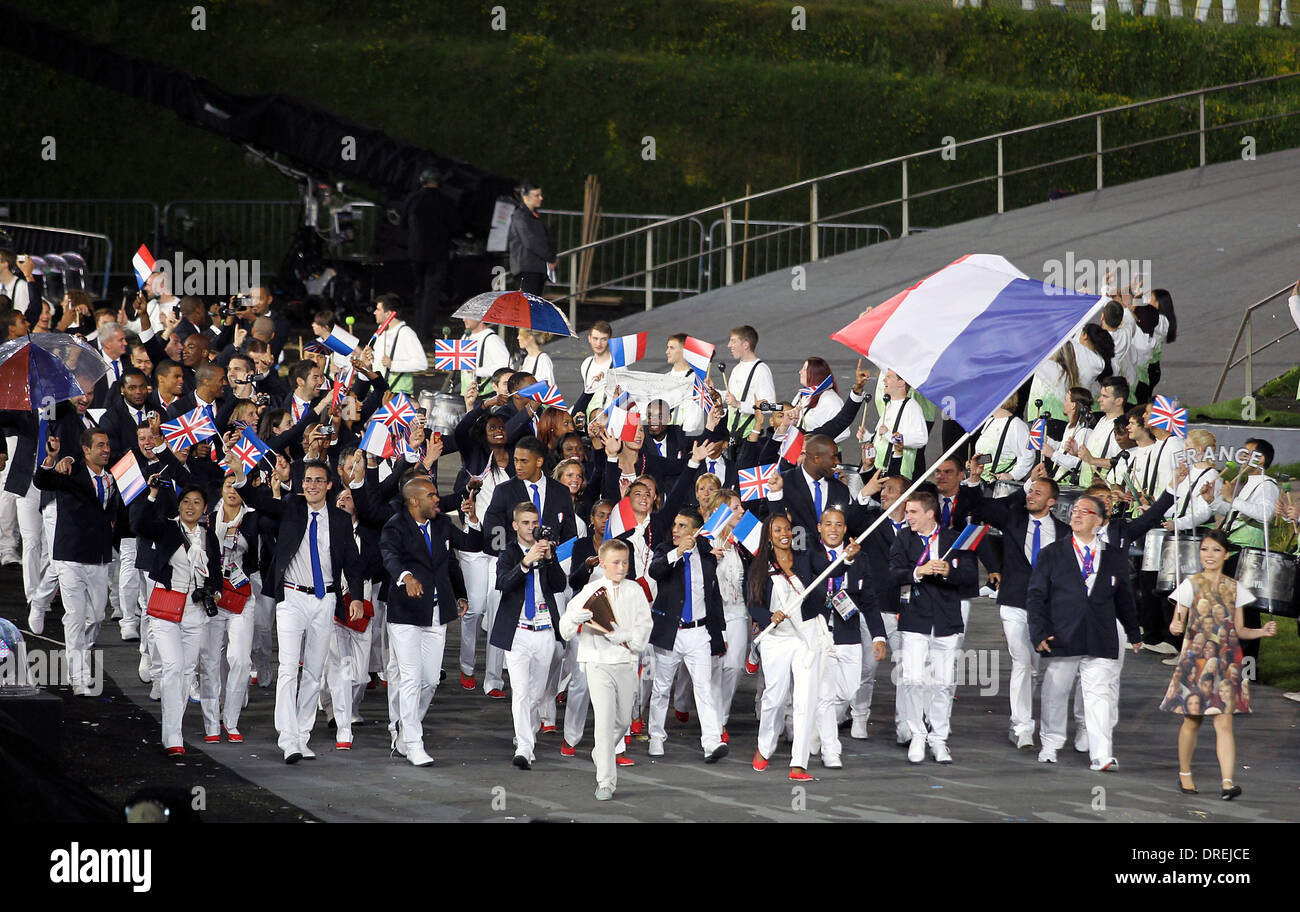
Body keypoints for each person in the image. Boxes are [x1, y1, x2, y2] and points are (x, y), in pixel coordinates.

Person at [232, 457, 365, 763]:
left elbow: (353, 564)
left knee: (314, 673)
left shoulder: (341, 520)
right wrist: (241, 478)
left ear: (329, 485)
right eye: (308, 481)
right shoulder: (292, 507)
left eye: (319, 480)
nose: (312, 486)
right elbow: (259, 501)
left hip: (326, 599)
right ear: (302, 484)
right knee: (289, 668)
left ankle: (303, 735)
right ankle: (288, 738)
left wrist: (355, 597)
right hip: (291, 598)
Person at [1028, 493, 1142, 771]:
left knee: (1099, 695)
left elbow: (1124, 598)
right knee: (1056, 691)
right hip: (1063, 633)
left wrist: (1133, 632)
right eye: (1075, 510)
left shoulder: (1114, 556)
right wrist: (1039, 632)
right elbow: (1036, 596)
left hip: (1101, 634)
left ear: (1100, 521)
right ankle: (1051, 743)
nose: (1076, 515)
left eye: (1085, 512)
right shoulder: (1052, 553)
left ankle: (1102, 754)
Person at [1161, 530, 1276, 799]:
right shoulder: (1190, 584)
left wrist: (1262, 632)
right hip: (1195, 660)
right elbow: (1177, 625)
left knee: (1224, 723)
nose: (1209, 555)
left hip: (1227, 661)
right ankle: (1185, 774)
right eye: (1204, 549)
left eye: (1215, 550)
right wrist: (1175, 625)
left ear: (1226, 555)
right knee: (1192, 720)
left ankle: (1227, 782)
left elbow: (1238, 630)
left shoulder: (1236, 588)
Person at [966, 466, 1069, 749]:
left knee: (1034, 667)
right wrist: (980, 480)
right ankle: (1023, 726)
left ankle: (1019, 719)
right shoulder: (1013, 517)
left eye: (1039, 492)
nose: (1032, 495)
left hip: (1045, 609)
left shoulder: (1064, 532)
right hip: (1013, 601)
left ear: (1052, 502)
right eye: (1031, 490)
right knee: (1022, 661)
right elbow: (979, 508)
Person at [381, 476, 479, 766]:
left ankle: (403, 729)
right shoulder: (395, 525)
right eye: (432, 495)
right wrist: (406, 577)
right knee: (410, 678)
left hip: (436, 613)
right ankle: (413, 742)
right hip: (406, 615)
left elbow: (472, 545)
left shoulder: (442, 525)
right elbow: (389, 555)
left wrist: (472, 519)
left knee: (430, 680)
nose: (438, 499)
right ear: (414, 500)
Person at [131, 481, 221, 756]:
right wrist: (152, 494)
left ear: (205, 508)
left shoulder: (209, 537)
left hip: (195, 612)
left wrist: (214, 592)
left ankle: (174, 728)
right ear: (179, 505)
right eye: (186, 501)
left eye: (196, 502)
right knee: (172, 667)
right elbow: (140, 524)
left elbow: (215, 570)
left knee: (185, 672)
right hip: (167, 606)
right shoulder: (168, 528)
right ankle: (173, 737)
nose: (190, 506)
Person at [561, 538, 653, 800]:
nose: (622, 567)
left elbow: (644, 625)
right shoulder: (591, 590)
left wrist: (628, 638)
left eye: (625, 562)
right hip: (597, 661)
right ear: (602, 563)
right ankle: (605, 780)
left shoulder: (634, 590)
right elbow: (566, 627)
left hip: (624, 660)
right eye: (616, 562)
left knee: (622, 720)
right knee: (603, 721)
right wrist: (574, 620)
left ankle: (601, 752)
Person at [33, 429, 123, 697]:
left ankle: (79, 657)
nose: (105, 449)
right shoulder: (69, 471)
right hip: (70, 554)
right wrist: (52, 458)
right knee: (74, 617)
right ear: (86, 450)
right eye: (99, 445)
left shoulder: (112, 476)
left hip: (97, 556)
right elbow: (42, 481)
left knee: (95, 617)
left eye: (107, 444)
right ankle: (78, 677)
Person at [890, 491, 977, 764]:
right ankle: (917, 734)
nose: (908, 517)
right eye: (907, 512)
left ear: (930, 513)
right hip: (915, 619)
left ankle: (938, 738)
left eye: (913, 512)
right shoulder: (904, 539)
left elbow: (971, 578)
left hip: (946, 620)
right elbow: (892, 573)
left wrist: (949, 571)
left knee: (943, 683)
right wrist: (919, 572)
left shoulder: (955, 540)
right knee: (913, 679)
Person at [800, 507, 885, 768]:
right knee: (825, 694)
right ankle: (831, 749)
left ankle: (816, 726)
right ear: (819, 528)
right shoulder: (808, 556)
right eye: (828, 524)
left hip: (849, 633)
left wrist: (878, 635)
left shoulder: (860, 558)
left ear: (845, 529)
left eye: (839, 524)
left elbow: (869, 601)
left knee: (848, 692)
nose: (834, 529)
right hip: (820, 633)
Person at [646, 509, 729, 763]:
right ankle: (656, 737)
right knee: (661, 688)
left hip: (699, 633)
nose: (675, 529)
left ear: (695, 531)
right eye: (674, 524)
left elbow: (713, 596)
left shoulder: (707, 554)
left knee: (704, 688)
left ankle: (712, 742)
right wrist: (678, 551)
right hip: (671, 632)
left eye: (682, 526)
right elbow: (655, 571)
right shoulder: (664, 550)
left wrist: (720, 632)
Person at [748, 514, 825, 781]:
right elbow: (753, 603)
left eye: (787, 528)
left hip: (806, 636)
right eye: (777, 529)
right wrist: (768, 616)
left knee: (806, 699)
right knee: (775, 698)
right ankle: (764, 746)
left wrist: (847, 557)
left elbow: (832, 568)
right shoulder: (759, 566)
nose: (784, 533)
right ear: (768, 535)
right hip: (776, 639)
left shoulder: (805, 557)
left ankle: (798, 763)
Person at [493, 503, 568, 770]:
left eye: (534, 522)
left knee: (536, 694)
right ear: (515, 526)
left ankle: (526, 733)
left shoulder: (548, 550)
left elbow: (559, 585)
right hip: (518, 633)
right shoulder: (508, 553)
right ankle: (524, 747)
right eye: (525, 523)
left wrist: (549, 559)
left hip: (545, 630)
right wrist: (525, 563)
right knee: (521, 692)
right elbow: (502, 583)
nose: (530, 527)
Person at [404, 169, 460, 338]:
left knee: (419, 290)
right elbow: (456, 227)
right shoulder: (446, 201)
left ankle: (417, 326)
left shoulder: (413, 199)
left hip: (416, 253)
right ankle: (424, 330)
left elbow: (402, 223)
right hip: (438, 253)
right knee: (432, 292)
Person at [723, 325, 775, 444]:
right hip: (732, 436)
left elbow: (769, 407)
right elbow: (731, 398)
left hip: (750, 437)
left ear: (746, 344)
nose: (729, 345)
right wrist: (715, 393)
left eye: (733, 341)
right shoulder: (736, 368)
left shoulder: (761, 370)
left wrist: (739, 404)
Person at [872, 370, 927, 479]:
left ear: (901, 382)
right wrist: (868, 437)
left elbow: (921, 439)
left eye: (889, 377)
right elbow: (881, 437)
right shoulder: (889, 404)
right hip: (879, 471)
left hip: (899, 475)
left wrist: (889, 436)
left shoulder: (912, 407)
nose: (884, 379)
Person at [371, 295, 428, 395]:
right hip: (378, 392)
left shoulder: (406, 333)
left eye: (378, 309)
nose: (374, 312)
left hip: (398, 394)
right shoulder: (381, 332)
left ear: (388, 314)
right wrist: (371, 357)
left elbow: (422, 363)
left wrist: (393, 365)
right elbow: (379, 361)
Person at [973, 393, 1034, 484]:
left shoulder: (1017, 425)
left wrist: (1012, 475)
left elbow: (1028, 456)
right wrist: (975, 463)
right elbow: (988, 455)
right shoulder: (990, 421)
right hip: (981, 483)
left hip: (1001, 487)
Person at [508, 182, 555, 296]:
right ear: (525, 197)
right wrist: (551, 257)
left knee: (534, 304)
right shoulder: (521, 216)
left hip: (536, 267)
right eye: (537, 195)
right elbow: (530, 241)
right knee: (529, 304)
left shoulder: (533, 216)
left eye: (540, 195)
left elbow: (542, 239)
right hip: (527, 268)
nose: (541, 198)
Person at [459, 316, 511, 398]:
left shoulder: (492, 339)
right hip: (466, 396)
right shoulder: (465, 336)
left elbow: (504, 366)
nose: (464, 319)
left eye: (468, 316)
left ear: (481, 317)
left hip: (485, 399)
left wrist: (478, 371)